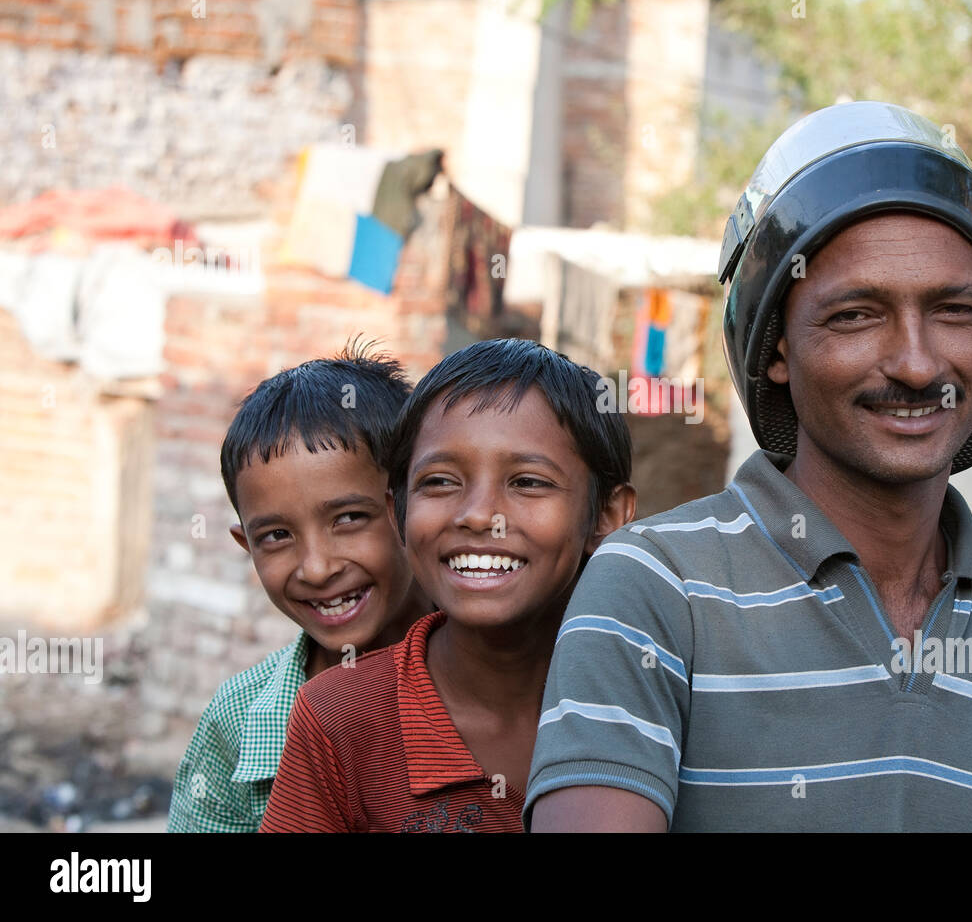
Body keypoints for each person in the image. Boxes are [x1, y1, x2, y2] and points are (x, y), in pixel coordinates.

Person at [526, 101, 972, 832]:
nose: (915, 362)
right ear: (776, 349)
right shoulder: (653, 592)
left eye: (955, 311)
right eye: (856, 315)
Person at [259, 339, 635, 832]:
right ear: (398, 512)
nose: (478, 514)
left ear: (607, 515)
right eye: (439, 482)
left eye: (527, 482)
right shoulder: (338, 718)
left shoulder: (654, 697)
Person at [167, 340, 432, 832]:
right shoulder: (240, 721)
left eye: (350, 518)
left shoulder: (501, 679)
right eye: (277, 536)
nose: (315, 568)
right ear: (245, 545)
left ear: (413, 507)